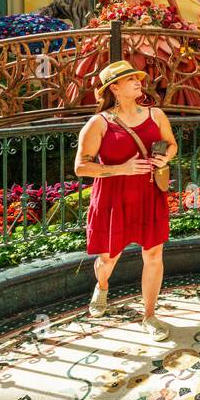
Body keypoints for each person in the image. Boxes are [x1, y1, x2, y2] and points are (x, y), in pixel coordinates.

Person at [74, 60, 177, 340]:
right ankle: (103, 285)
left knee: (154, 255)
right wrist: (121, 168)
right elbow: (81, 167)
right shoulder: (99, 123)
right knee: (108, 259)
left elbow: (172, 144)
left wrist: (164, 158)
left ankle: (150, 315)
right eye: (129, 78)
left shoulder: (156, 115)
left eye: (136, 77)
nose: (137, 81)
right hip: (112, 199)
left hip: (149, 194)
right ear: (114, 89)